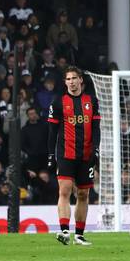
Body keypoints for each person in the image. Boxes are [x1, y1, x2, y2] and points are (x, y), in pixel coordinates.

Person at [48, 66, 100, 246]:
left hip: (86, 155)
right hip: (65, 153)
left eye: (74, 78)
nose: (71, 81)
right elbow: (52, 131)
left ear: (80, 81)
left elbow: (96, 128)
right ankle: (63, 230)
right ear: (65, 82)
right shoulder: (58, 102)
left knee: (84, 194)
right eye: (68, 79)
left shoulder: (91, 101)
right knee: (64, 190)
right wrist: (50, 154)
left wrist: (96, 150)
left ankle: (79, 235)